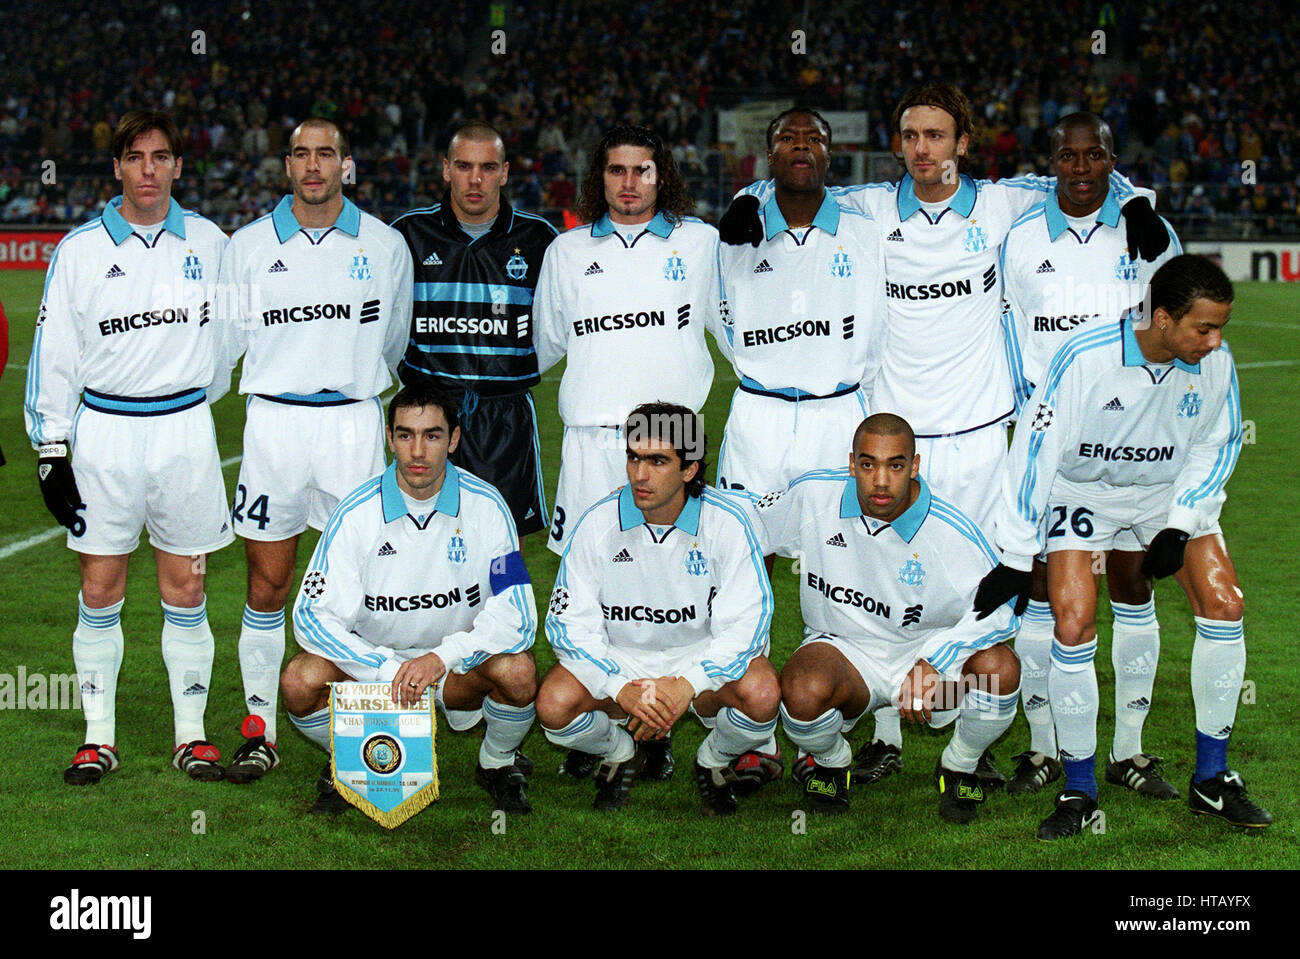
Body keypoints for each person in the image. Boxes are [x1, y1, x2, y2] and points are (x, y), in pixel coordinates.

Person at [722, 82, 1169, 785]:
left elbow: (1082, 176)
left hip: (984, 439)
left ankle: (1000, 739)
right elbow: (797, 184)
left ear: (962, 142)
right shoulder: (870, 209)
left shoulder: (1002, 203)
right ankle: (887, 734)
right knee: (881, 583)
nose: (922, 149)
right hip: (899, 448)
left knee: (997, 589)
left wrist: (1135, 201)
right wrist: (749, 198)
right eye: (910, 136)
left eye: (935, 135)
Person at [975, 254, 1272, 838]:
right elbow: (1034, 451)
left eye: (1220, 328)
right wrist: (1015, 555)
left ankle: (1211, 779)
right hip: (1084, 492)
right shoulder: (1085, 357)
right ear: (1162, 319)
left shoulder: (1215, 364)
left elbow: (1217, 445)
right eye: (1204, 328)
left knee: (1225, 604)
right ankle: (1079, 788)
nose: (1215, 342)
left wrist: (1181, 524)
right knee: (1073, 622)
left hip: (1165, 494)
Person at [25, 110, 233, 784]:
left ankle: (191, 736)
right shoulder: (79, 250)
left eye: (161, 157)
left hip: (184, 433)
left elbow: (230, 341)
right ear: (117, 166)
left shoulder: (211, 243)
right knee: (100, 585)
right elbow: (55, 354)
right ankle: (99, 738)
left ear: (178, 166)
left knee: (187, 586)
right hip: (105, 436)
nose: (149, 170)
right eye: (136, 157)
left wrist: (190, 399)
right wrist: (51, 449)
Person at [213, 117, 413, 783]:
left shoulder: (384, 244)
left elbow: (393, 339)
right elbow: (225, 343)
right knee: (268, 585)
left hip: (352, 426)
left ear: (346, 165)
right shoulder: (246, 246)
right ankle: (260, 732)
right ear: (287, 166)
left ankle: (361, 740)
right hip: (274, 427)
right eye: (301, 154)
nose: (314, 165)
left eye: (326, 153)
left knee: (360, 591)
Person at [999, 113, 1183, 797]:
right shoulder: (1019, 238)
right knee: (1043, 591)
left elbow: (1176, 333)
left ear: (1112, 160)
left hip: (1136, 443)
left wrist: (1138, 201)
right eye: (1068, 156)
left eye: (1094, 156)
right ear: (1051, 161)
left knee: (1134, 583)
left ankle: (1128, 750)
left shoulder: (1150, 234)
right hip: (1053, 444)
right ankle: (1043, 747)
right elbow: (1009, 331)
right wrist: (1028, 415)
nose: (1081, 169)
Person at [533, 124, 723, 780]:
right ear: (601, 177)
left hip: (670, 442)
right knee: (591, 588)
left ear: (660, 174)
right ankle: (605, 724)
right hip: (592, 438)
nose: (630, 182)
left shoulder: (700, 243)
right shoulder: (567, 251)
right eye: (617, 170)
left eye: (642, 169)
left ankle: (658, 723)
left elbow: (736, 320)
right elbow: (547, 342)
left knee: (668, 585)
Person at [281, 385, 539, 816]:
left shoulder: (488, 507)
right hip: (375, 673)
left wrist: (442, 657)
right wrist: (385, 667)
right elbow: (311, 616)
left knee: (518, 671)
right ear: (389, 438)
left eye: (432, 435)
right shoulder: (355, 513)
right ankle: (350, 755)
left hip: (453, 670)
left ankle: (496, 762)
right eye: (405, 435)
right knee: (299, 680)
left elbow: (518, 613)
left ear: (454, 439)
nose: (418, 451)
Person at [751, 413, 1020, 821]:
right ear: (851, 463)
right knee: (802, 692)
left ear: (914, 466)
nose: (880, 481)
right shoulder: (813, 496)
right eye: (868, 464)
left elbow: (1002, 608)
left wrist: (936, 660)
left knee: (999, 671)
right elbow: (750, 528)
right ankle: (832, 762)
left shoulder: (951, 530)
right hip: (847, 660)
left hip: (928, 675)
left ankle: (959, 764)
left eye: (895, 466)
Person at [536, 403, 779, 815]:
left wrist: (687, 684)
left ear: (690, 469)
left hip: (698, 659)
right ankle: (620, 751)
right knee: (554, 703)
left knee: (762, 692)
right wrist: (619, 688)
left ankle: (711, 761)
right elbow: (567, 624)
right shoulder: (597, 521)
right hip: (622, 660)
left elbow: (747, 626)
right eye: (633, 458)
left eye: (657, 461)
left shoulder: (729, 522)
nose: (639, 474)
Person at [391, 121, 558, 539]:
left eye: (488, 167)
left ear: (504, 173)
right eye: (464, 166)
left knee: (504, 543)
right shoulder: (407, 235)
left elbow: (554, 333)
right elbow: (387, 331)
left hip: (504, 415)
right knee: (422, 537)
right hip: (428, 414)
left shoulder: (539, 239)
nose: (476, 179)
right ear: (446, 169)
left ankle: (505, 589)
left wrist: (508, 369)